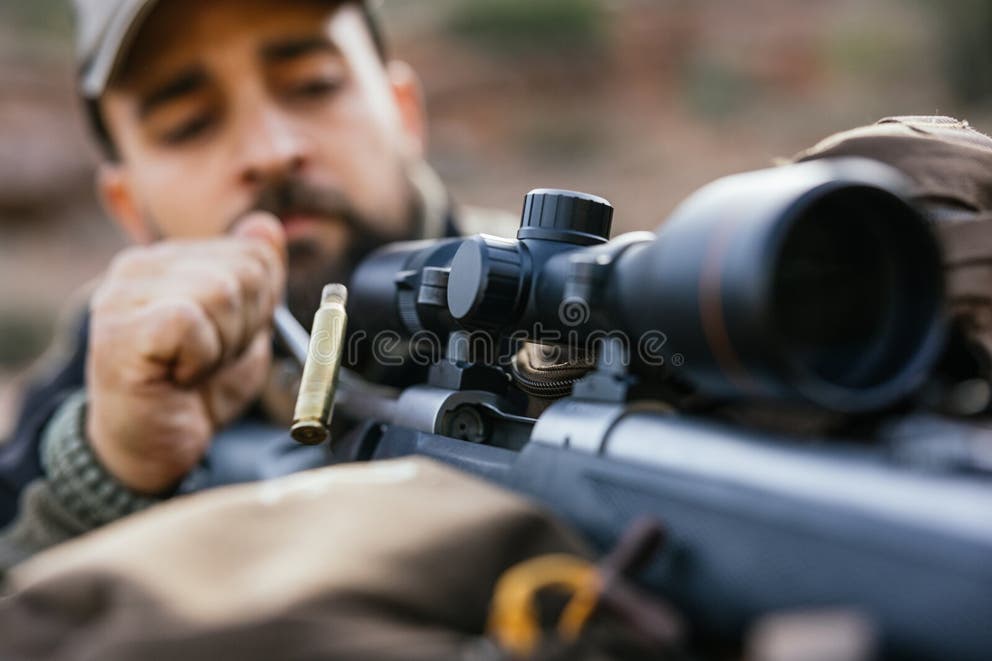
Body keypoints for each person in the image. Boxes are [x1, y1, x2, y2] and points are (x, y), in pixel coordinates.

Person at [0, 0, 515, 558]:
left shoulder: (575, 316)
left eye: (314, 86)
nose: (270, 152)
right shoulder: (101, 364)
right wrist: (105, 477)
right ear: (129, 207)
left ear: (405, 112)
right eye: (189, 125)